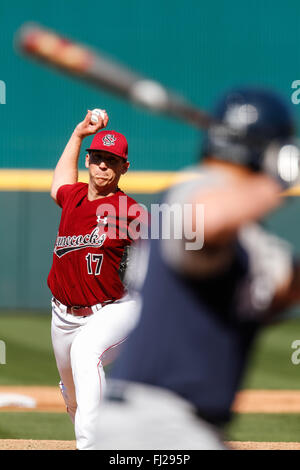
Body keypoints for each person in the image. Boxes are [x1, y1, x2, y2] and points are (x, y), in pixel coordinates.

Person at [92, 87, 300, 450]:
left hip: (177, 428)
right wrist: (277, 180)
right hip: (156, 427)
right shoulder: (197, 190)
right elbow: (207, 221)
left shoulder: (246, 237)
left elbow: (281, 288)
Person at [47, 109, 145, 450]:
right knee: (73, 396)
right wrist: (78, 135)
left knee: (87, 353)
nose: (103, 166)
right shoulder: (72, 198)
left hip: (112, 309)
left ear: (123, 168)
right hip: (62, 315)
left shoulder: (130, 211)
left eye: (111, 161)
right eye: (98, 158)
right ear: (89, 161)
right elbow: (58, 182)